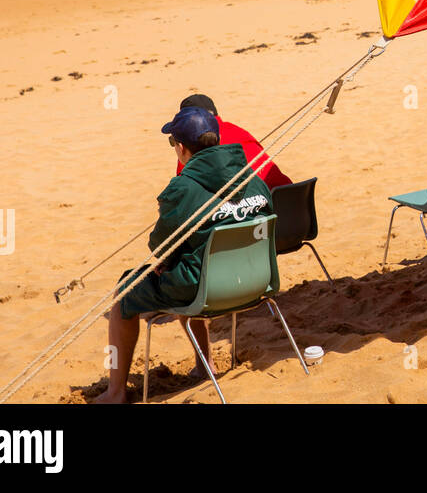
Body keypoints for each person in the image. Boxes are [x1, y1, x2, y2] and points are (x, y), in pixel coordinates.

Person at [95, 107, 273, 404]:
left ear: (180, 148)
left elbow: (159, 247)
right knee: (189, 264)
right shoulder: (251, 176)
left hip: (207, 291)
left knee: (125, 291)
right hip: (255, 284)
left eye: (172, 144)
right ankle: (206, 365)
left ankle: (116, 393)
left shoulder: (182, 187)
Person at [175, 93, 291, 189]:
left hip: (262, 207)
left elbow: (183, 188)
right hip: (291, 196)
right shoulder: (237, 130)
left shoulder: (194, 141)